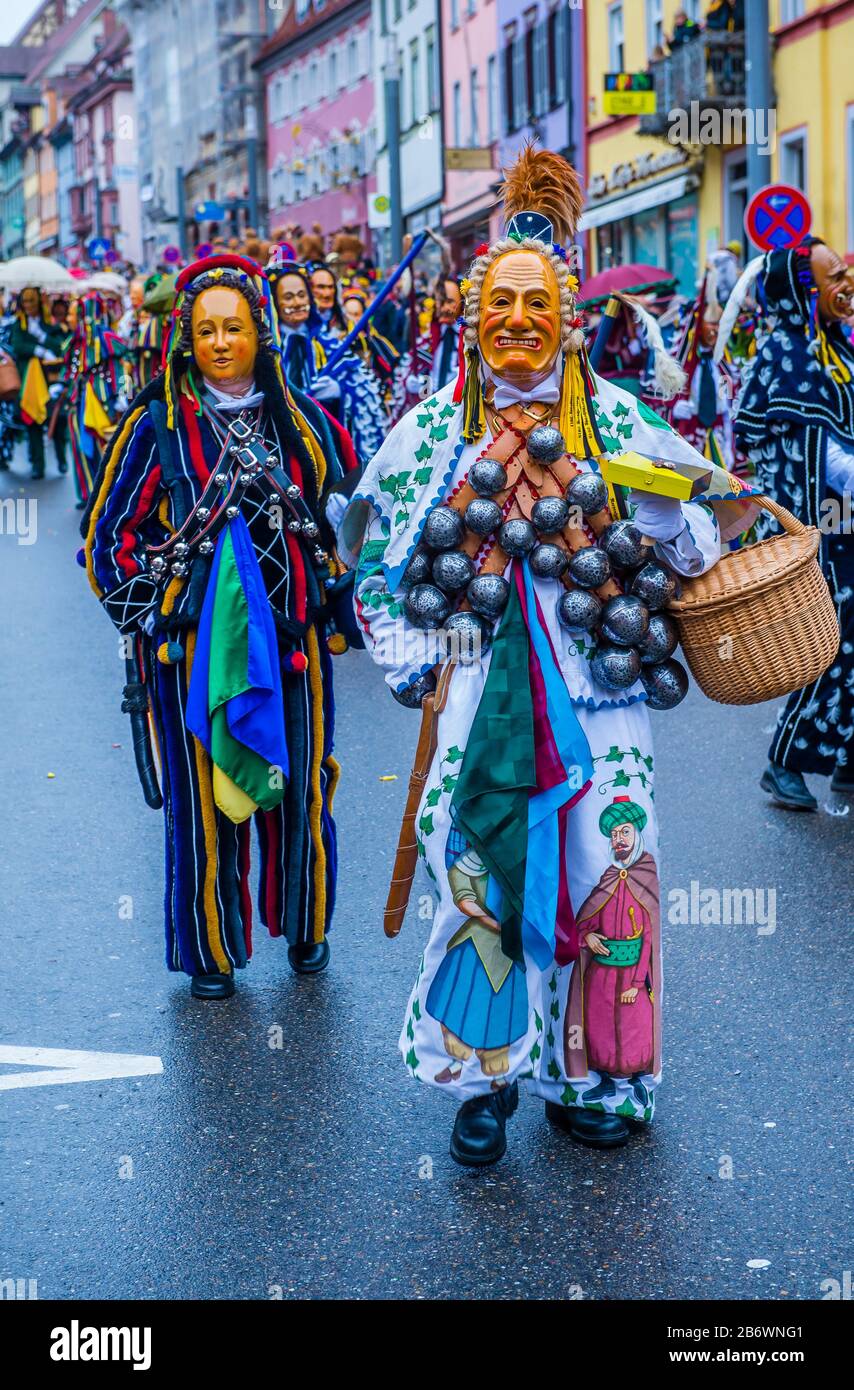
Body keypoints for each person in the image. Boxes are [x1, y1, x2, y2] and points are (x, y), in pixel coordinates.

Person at [341, 145, 751, 1166]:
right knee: (473, 866)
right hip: (477, 693)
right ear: (471, 317)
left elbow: (707, 546)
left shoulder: (618, 420)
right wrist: (410, 659)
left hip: (599, 696)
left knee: (603, 874)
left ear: (567, 319)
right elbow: (375, 565)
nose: (517, 322)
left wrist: (666, 516)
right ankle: (481, 1075)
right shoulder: (428, 434)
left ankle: (597, 1069)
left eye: (536, 305)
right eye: (499, 304)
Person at [82, 253, 353, 997]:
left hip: (295, 642)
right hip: (195, 651)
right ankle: (210, 949)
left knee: (300, 786)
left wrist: (343, 581)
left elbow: (351, 517)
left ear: (259, 335)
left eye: (235, 327)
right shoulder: (154, 428)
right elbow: (109, 539)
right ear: (185, 339)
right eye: (207, 331)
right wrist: (156, 614)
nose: (222, 342)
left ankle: (306, 926)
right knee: (202, 804)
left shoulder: (304, 422)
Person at [727, 237, 854, 808]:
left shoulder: (833, 346)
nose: (847, 284)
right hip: (819, 531)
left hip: (848, 524)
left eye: (845, 273)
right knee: (826, 645)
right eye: (834, 278)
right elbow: (816, 451)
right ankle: (784, 761)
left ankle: (847, 759)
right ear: (803, 292)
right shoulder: (788, 353)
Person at [268, 253, 386, 464]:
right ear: (276, 302)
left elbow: (364, 399)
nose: (297, 303)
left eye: (302, 295)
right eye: (288, 297)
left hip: (328, 448)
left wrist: (342, 391)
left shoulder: (329, 344)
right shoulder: (269, 349)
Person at [64, 291, 132, 507]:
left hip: (105, 402)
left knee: (106, 447)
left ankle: (109, 492)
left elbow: (122, 369)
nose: (68, 318)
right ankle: (88, 493)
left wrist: (123, 393)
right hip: (80, 401)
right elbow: (71, 372)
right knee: (81, 446)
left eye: (73, 314)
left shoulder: (106, 339)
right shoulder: (75, 341)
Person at [8, 286, 70, 481]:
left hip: (51, 379)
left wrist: (43, 336)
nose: (28, 305)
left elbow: (60, 345)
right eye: (25, 301)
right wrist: (37, 349)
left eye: (31, 300)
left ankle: (62, 460)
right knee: (32, 422)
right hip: (29, 383)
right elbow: (17, 346)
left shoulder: (48, 323)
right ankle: (37, 465)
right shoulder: (19, 324)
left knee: (57, 419)